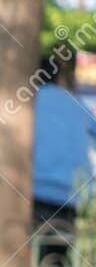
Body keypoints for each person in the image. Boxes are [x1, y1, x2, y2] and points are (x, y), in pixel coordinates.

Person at [32, 51, 96, 229]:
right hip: (72, 195)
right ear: (58, 77)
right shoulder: (76, 103)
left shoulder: (25, 102)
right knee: (59, 250)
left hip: (32, 191)